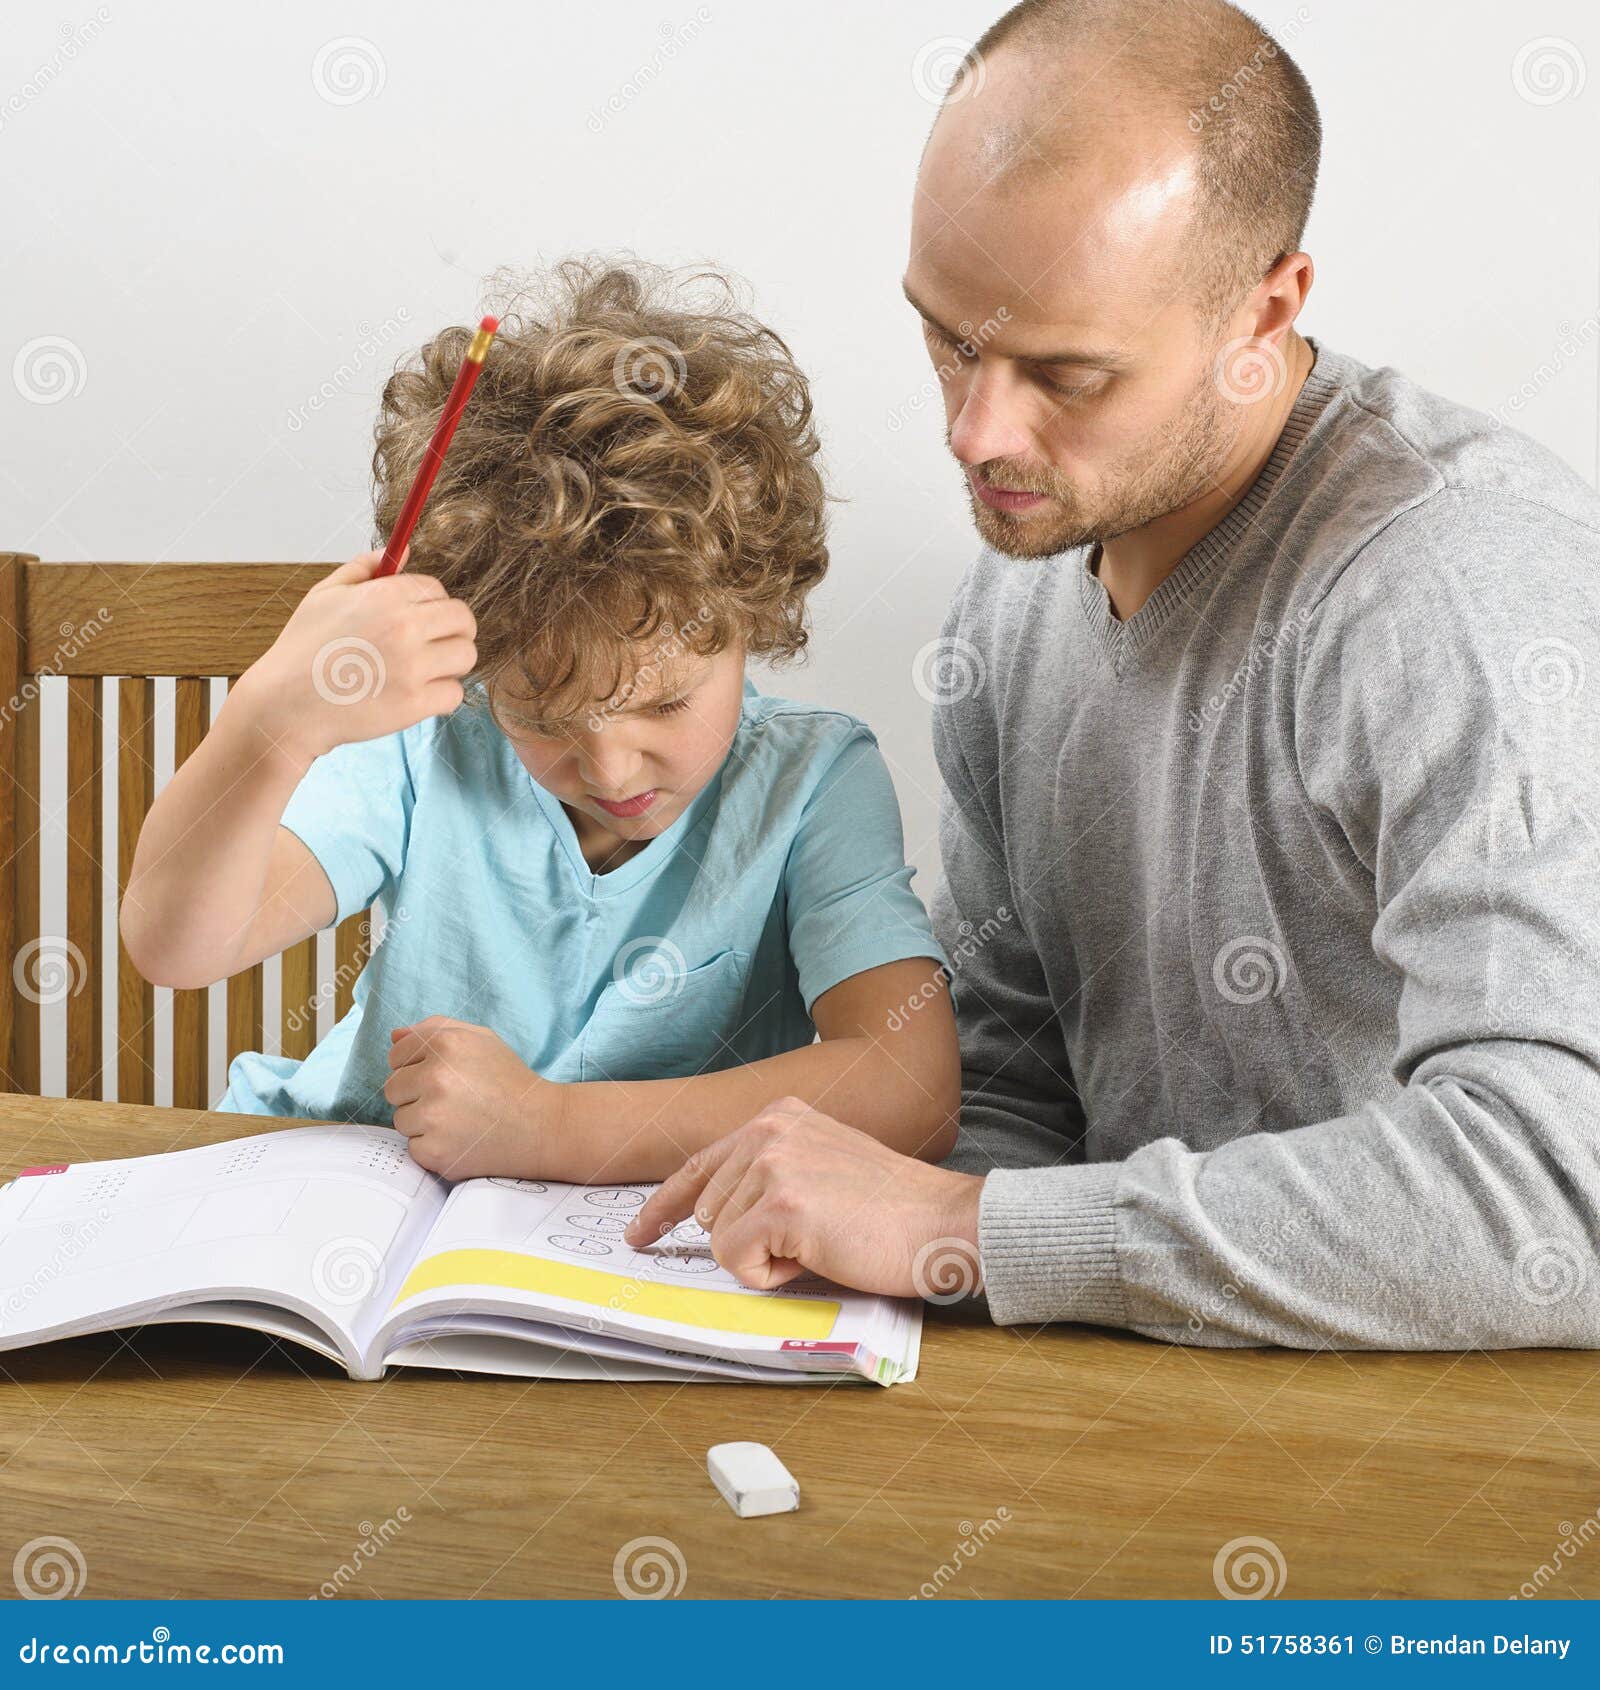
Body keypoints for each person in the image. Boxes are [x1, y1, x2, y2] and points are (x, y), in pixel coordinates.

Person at [627, 0, 1600, 1351]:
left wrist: (961, 1231)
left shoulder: (1455, 590)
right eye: (949, 337)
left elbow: (1560, 1193)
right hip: (1131, 1401)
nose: (977, 433)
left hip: (1438, 1452)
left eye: (1066, 374)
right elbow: (1022, 1074)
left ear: (1266, 308)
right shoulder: (1021, 582)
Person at [120, 258, 958, 1184]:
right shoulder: (423, 743)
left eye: (665, 702)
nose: (609, 765)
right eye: (542, 713)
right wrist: (269, 724)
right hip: (339, 1189)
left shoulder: (814, 782)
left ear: (752, 622)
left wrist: (554, 1127)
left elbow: (909, 1091)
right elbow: (177, 948)